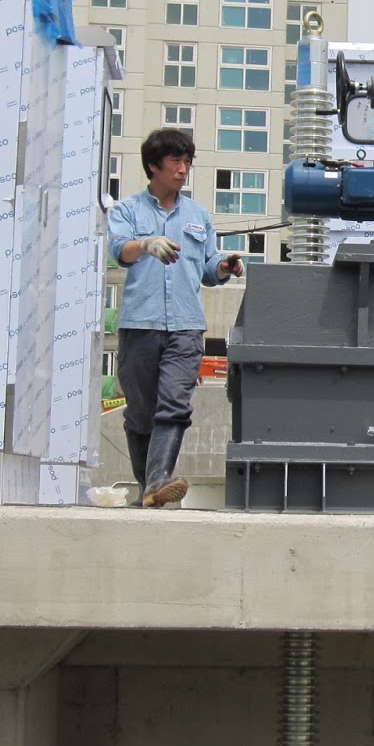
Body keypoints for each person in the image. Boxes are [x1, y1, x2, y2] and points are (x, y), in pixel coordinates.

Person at [108, 129, 243, 508]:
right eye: (175, 163)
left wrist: (225, 266)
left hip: (186, 327)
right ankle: (149, 490)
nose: (183, 170)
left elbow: (207, 268)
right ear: (154, 166)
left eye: (187, 163)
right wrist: (146, 243)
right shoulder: (128, 210)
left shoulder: (199, 215)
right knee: (140, 413)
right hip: (140, 325)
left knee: (175, 405)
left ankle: (158, 481)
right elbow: (121, 250)